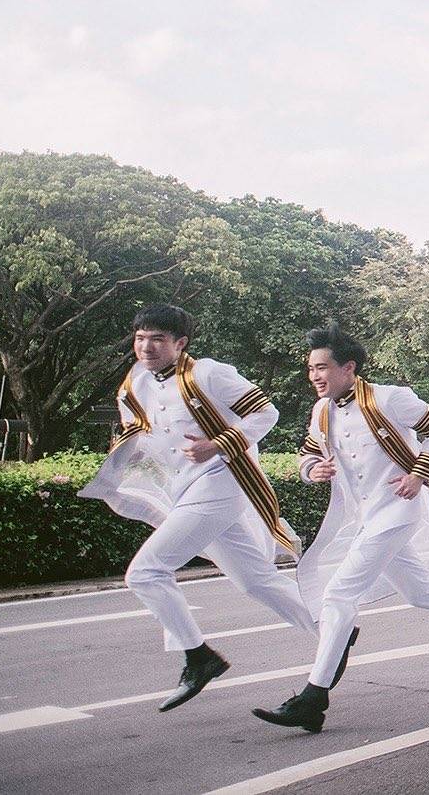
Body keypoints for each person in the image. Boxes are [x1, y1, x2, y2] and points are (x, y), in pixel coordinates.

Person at [253, 323, 429, 734]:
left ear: (348, 367)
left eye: (322, 367)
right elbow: (308, 454)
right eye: (311, 369)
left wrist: (420, 474)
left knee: (338, 594)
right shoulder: (322, 412)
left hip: (398, 511)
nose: (315, 376)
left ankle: (314, 697)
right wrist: (312, 470)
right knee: (420, 591)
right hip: (363, 518)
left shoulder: (391, 398)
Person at [79, 304, 315, 712]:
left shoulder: (208, 373)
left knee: (146, 572)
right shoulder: (135, 384)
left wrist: (218, 443)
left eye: (157, 339)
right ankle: (332, 630)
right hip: (183, 487)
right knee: (254, 579)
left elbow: (265, 413)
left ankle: (198, 658)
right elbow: (143, 434)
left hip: (223, 480)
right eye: (140, 338)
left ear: (180, 343)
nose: (146, 347)